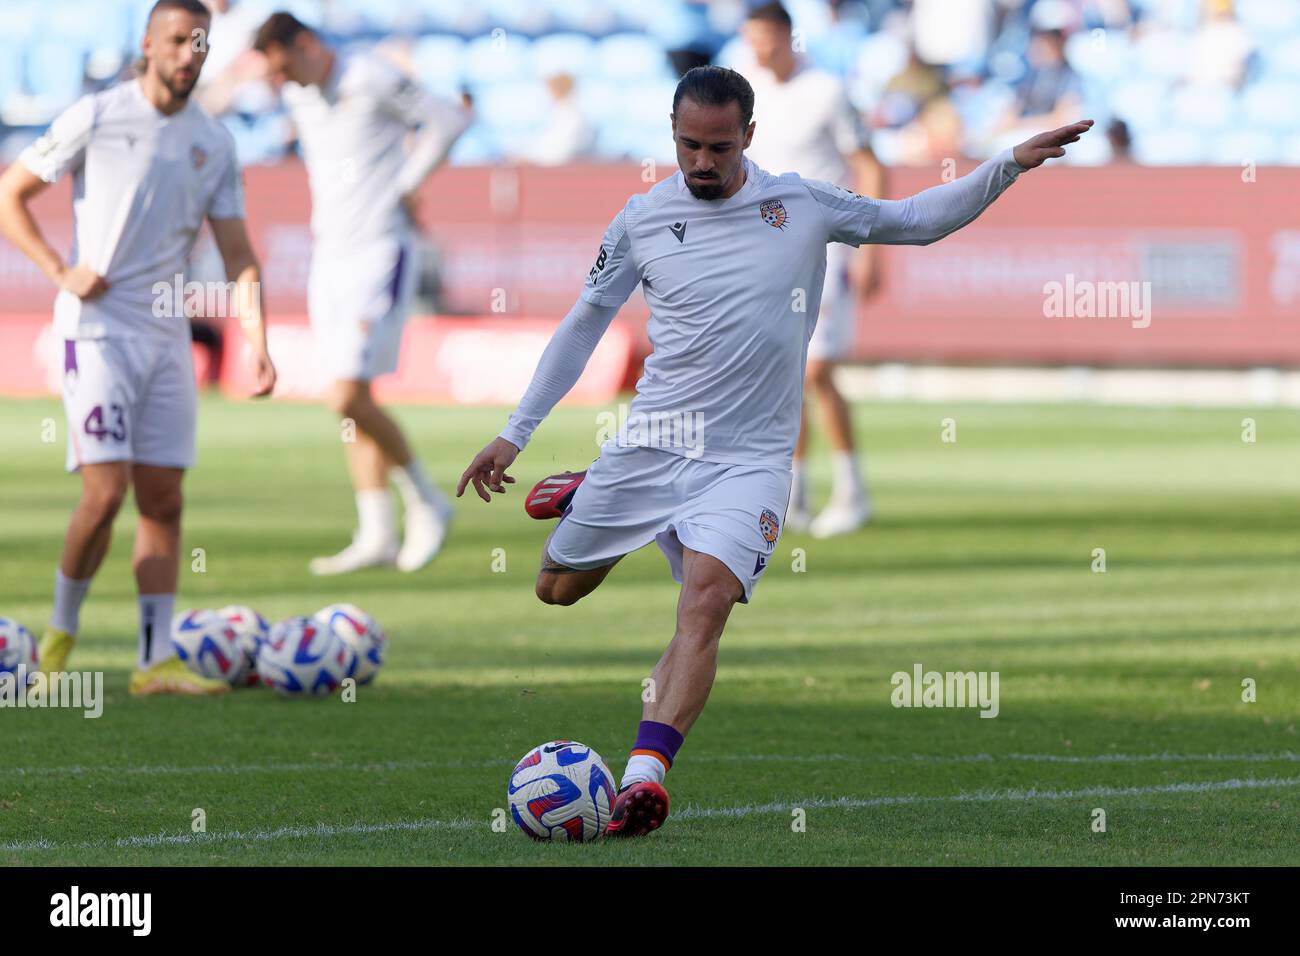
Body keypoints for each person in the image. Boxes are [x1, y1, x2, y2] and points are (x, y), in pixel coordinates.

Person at [458, 64, 1092, 836]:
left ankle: (642, 780)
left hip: (750, 459)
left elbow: (915, 220)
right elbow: (584, 322)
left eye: (719, 146)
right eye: (689, 144)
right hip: (654, 445)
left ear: (748, 137)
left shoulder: (800, 203)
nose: (702, 161)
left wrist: (1008, 165)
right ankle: (591, 489)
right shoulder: (640, 219)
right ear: (671, 134)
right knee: (556, 591)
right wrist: (513, 433)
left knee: (706, 601)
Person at [0, 0, 277, 695]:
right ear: (150, 44)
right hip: (96, 331)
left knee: (164, 497)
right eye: (179, 40)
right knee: (105, 491)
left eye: (201, 43)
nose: (190, 53)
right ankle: (59, 643)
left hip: (165, 334)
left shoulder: (214, 141)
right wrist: (61, 271)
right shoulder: (99, 114)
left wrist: (257, 339)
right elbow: (11, 196)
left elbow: (240, 252)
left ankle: (153, 662)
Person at [254, 12, 470, 575]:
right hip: (327, 256)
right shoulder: (301, 96)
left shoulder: (370, 75)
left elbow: (447, 119)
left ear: (305, 45)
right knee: (351, 401)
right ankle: (376, 530)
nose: (283, 83)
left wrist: (406, 185)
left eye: (284, 68)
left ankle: (427, 500)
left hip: (378, 251)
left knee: (346, 396)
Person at [740, 0, 886, 537]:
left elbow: (869, 163)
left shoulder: (826, 90)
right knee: (783, 374)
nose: (761, 49)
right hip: (766, 253)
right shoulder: (743, 90)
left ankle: (851, 489)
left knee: (816, 370)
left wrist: (871, 248)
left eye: (768, 38)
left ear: (787, 35)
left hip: (824, 247)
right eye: (752, 38)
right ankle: (794, 493)